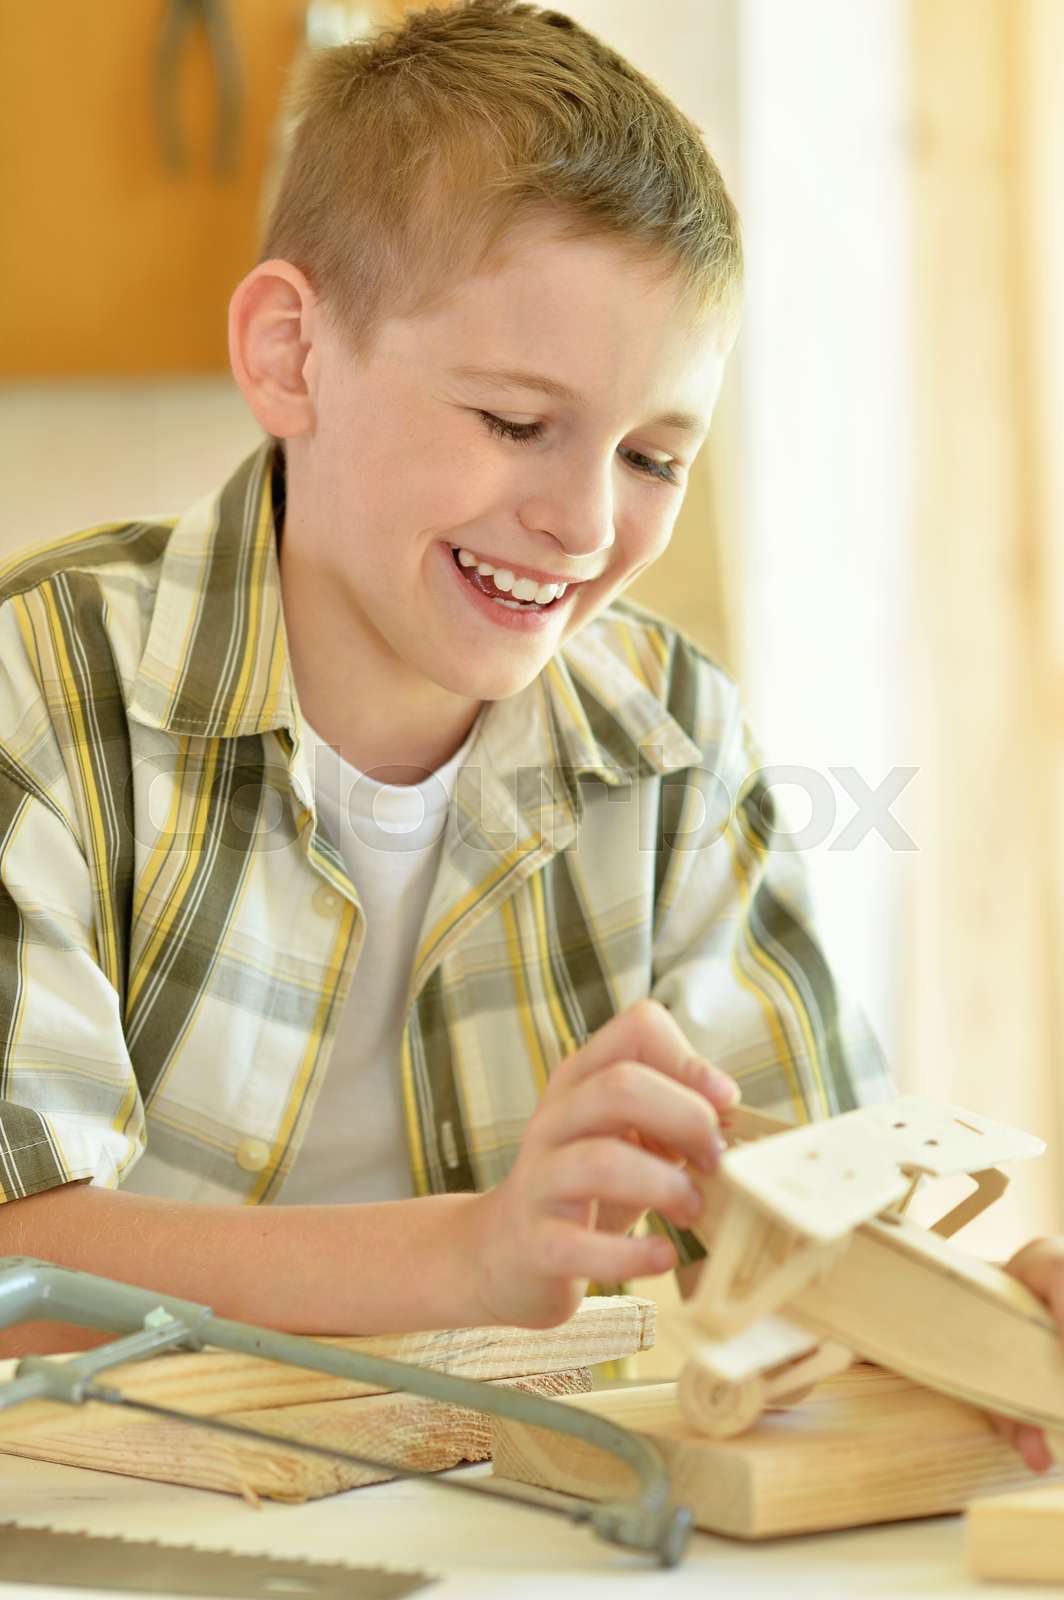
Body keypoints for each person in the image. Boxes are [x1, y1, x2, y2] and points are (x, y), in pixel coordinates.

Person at [0, 0, 1058, 1472]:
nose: (580, 523)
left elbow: (806, 1187)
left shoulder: (674, 732)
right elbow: (15, 1276)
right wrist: (472, 1253)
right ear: (293, 355)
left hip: (514, 1524)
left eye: (651, 455)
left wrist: (964, 1298)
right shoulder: (40, 686)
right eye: (513, 421)